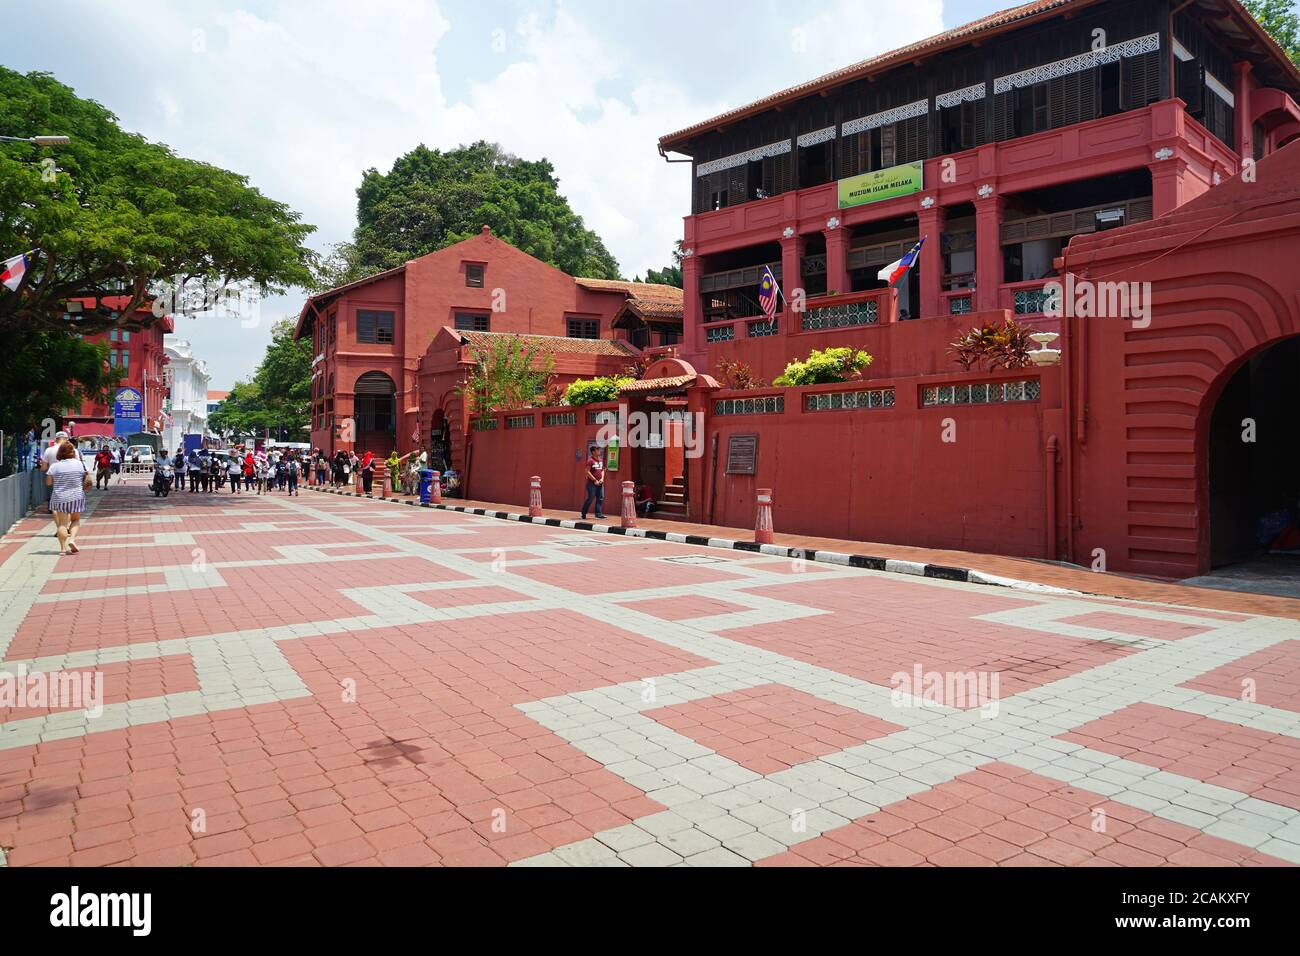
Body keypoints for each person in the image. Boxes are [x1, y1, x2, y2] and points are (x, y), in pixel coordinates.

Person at [46, 440, 90, 555]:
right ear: (73, 452)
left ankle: (62, 549)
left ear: (60, 452)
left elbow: (49, 483)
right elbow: (86, 478)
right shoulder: (80, 464)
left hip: (59, 498)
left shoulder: (54, 467)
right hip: (76, 497)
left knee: (62, 524)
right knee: (75, 520)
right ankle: (72, 539)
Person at [580, 446, 606, 520]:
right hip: (591, 483)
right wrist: (595, 480)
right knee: (591, 497)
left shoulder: (600, 460)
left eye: (599, 449)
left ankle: (598, 514)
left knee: (600, 498)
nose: (599, 451)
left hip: (600, 483)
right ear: (593, 452)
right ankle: (583, 513)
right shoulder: (590, 461)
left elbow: (603, 470)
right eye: (597, 450)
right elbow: (587, 471)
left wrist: (602, 478)